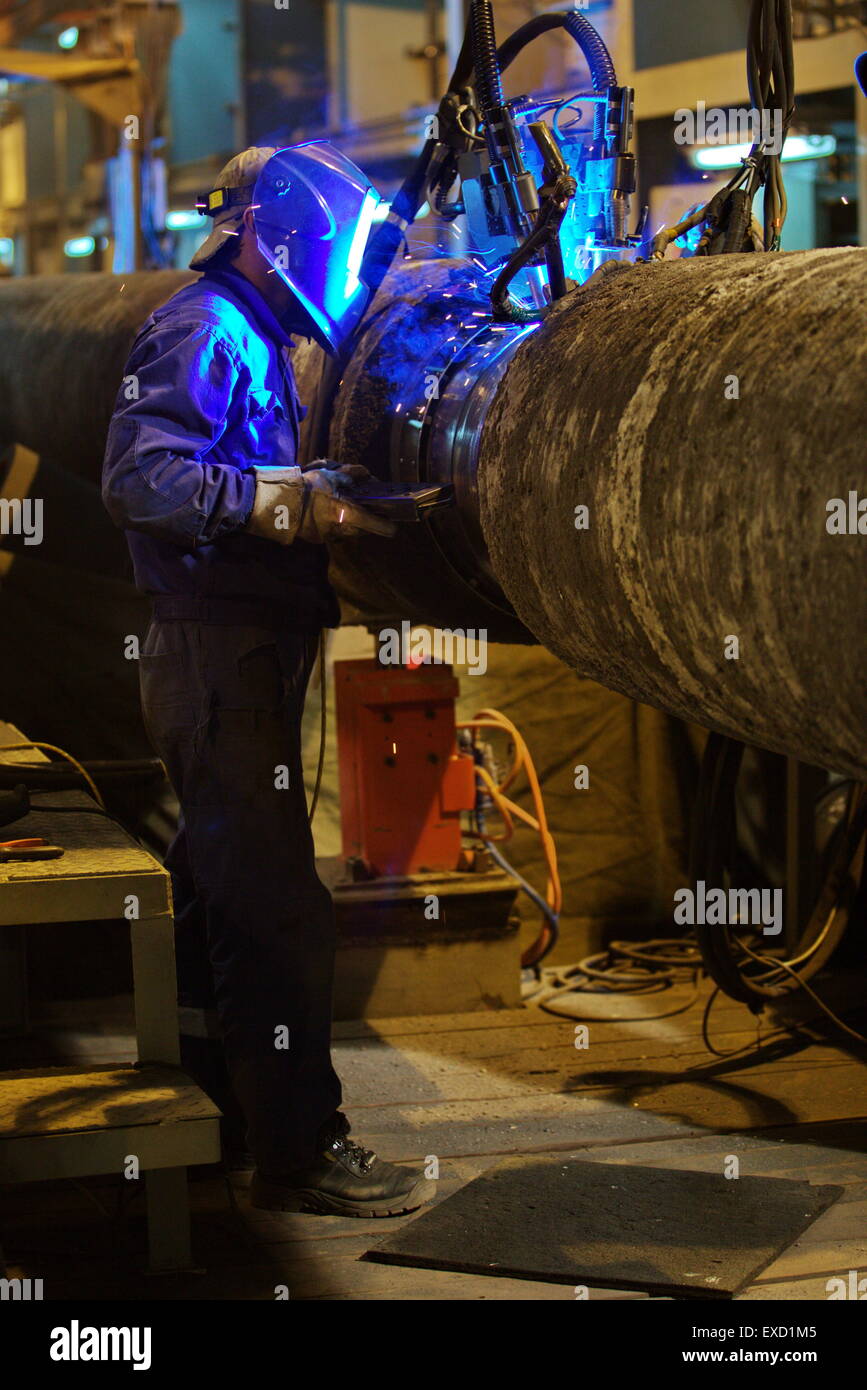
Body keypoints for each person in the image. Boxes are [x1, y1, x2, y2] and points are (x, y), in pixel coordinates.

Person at [102, 142, 434, 1217]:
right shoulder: (203, 325)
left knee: (215, 891)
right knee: (278, 907)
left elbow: (226, 469)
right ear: (275, 232)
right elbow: (141, 476)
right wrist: (288, 505)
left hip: (236, 653)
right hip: (215, 652)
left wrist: (309, 486)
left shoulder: (249, 331)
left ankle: (220, 1116)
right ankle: (300, 1148)